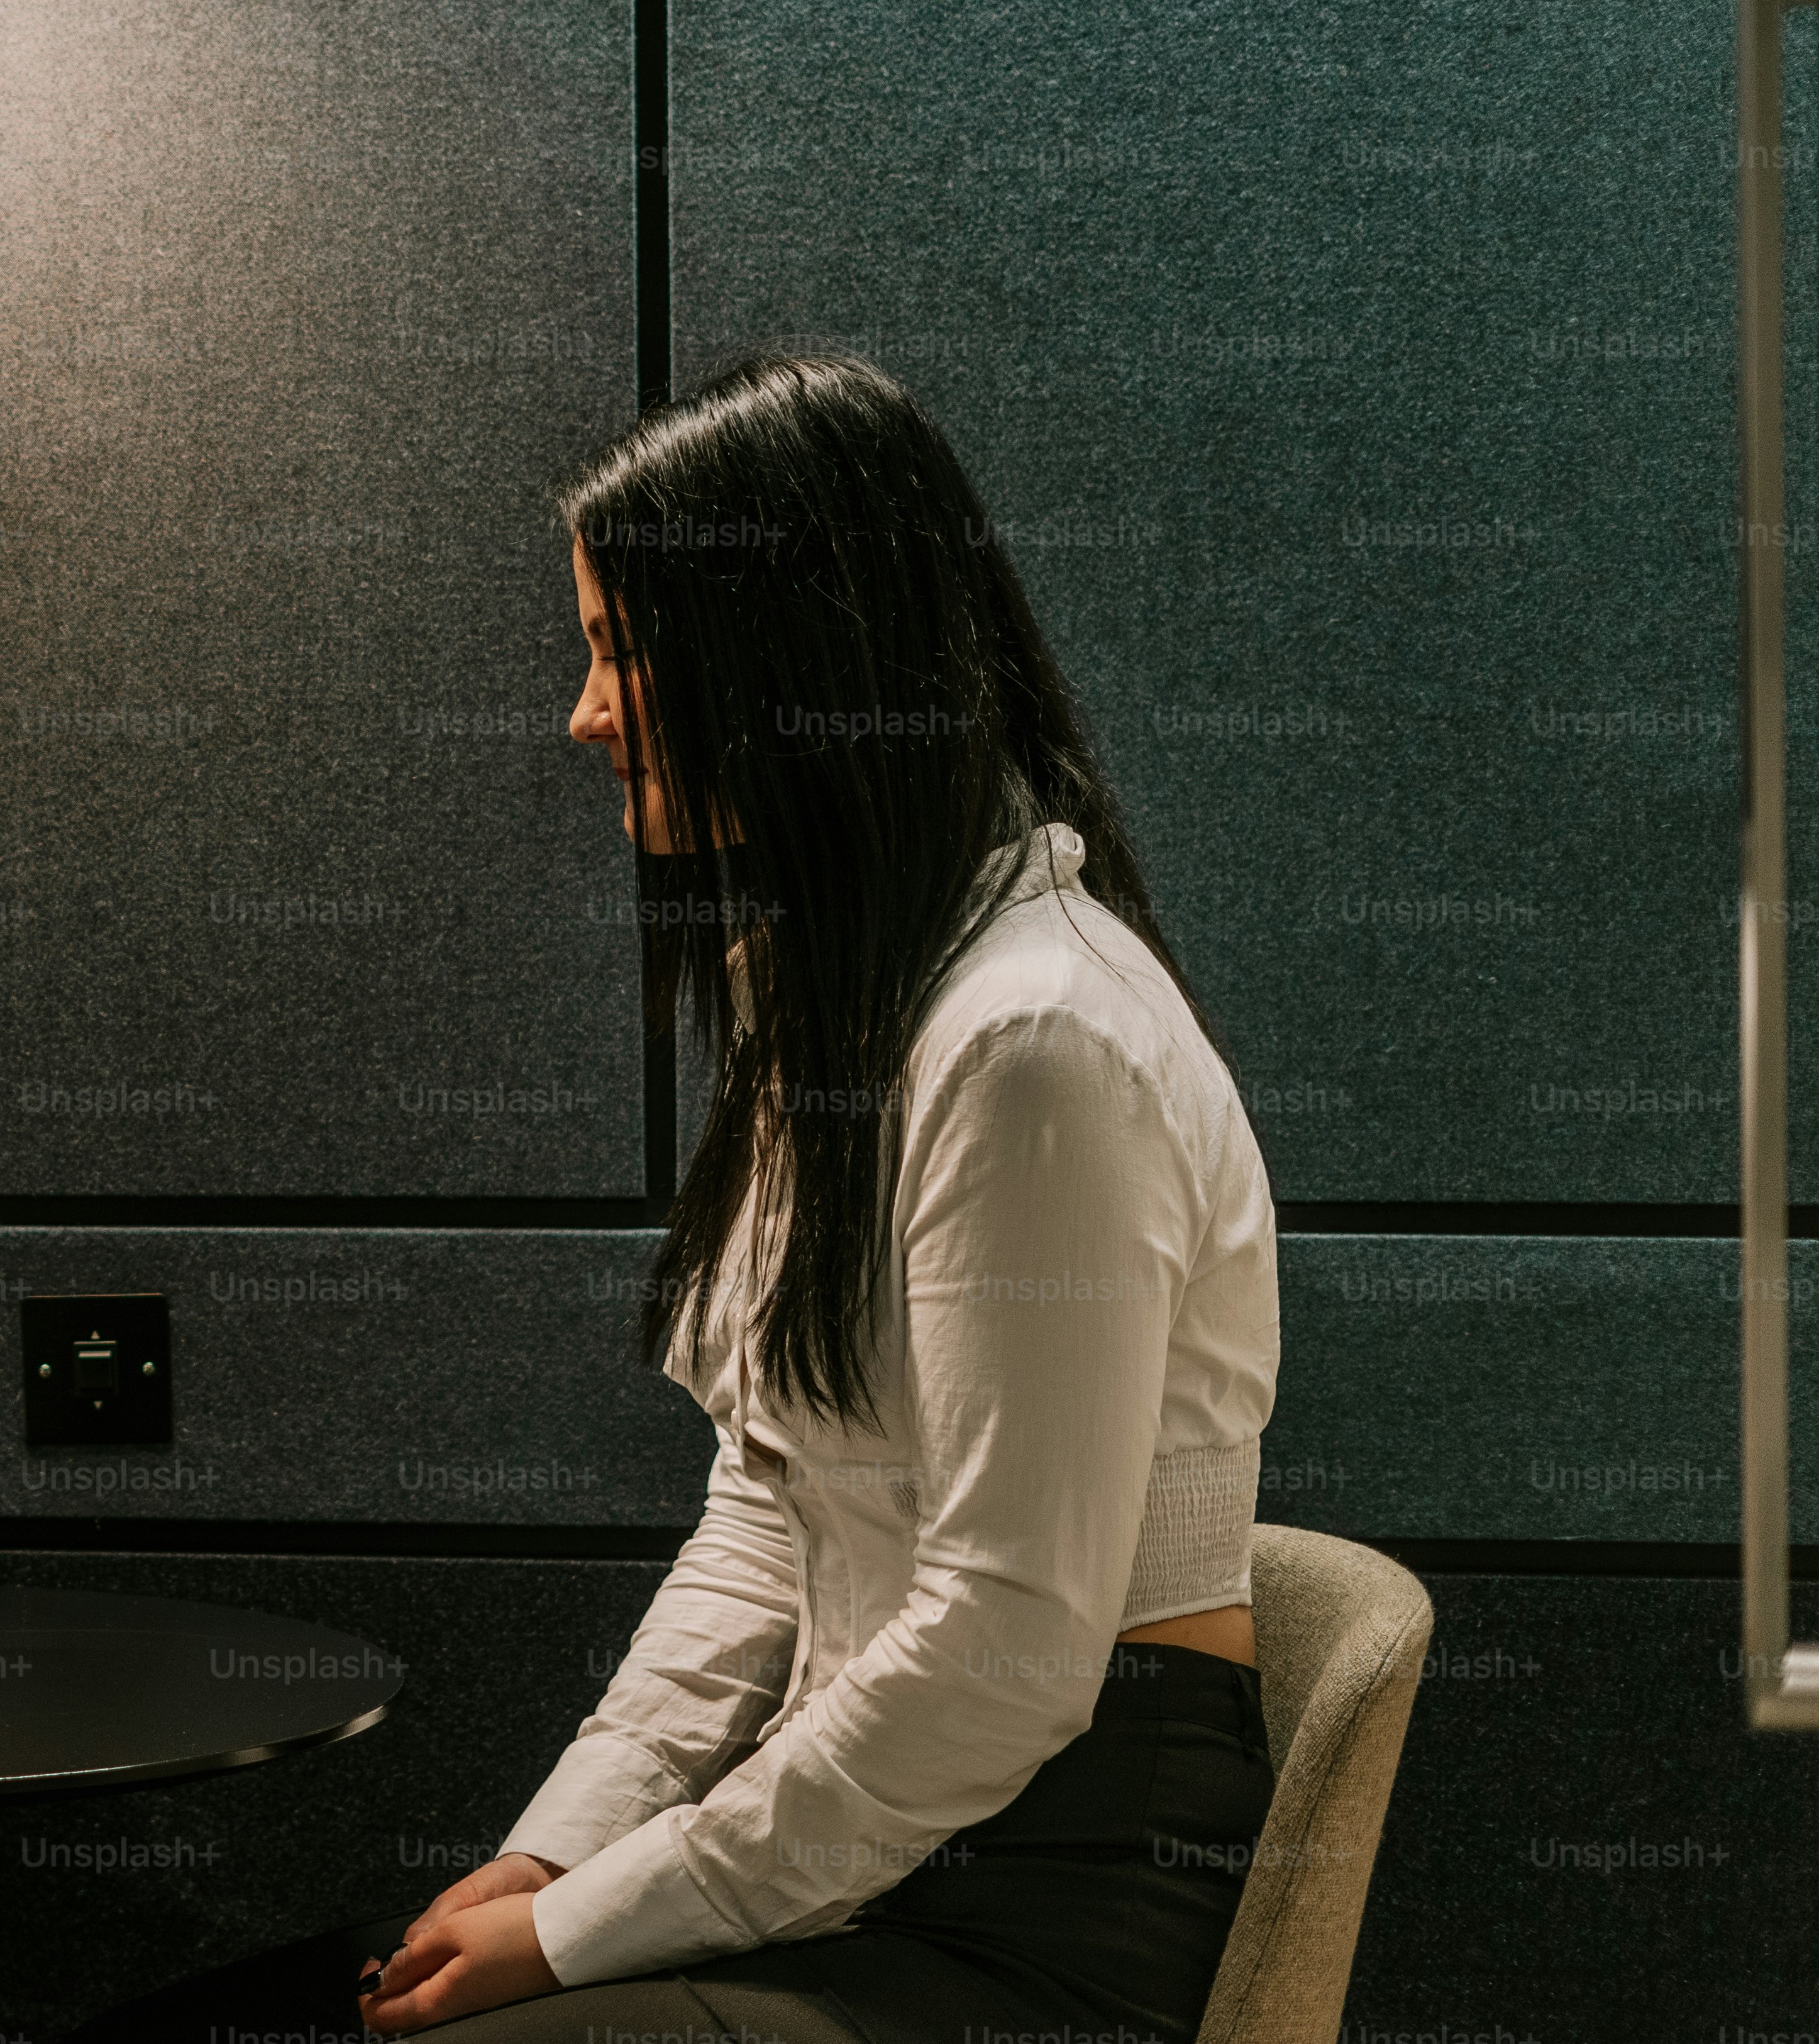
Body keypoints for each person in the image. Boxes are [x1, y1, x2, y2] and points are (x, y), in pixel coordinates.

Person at [78, 353, 1280, 2044]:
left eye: (621, 651)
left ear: (795, 664)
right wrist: (556, 1857)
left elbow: (1000, 1651)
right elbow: (769, 1514)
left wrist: (592, 1930)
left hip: (1036, 1895)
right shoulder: (847, 999)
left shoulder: (1033, 1047)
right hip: (877, 1831)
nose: (582, 714)